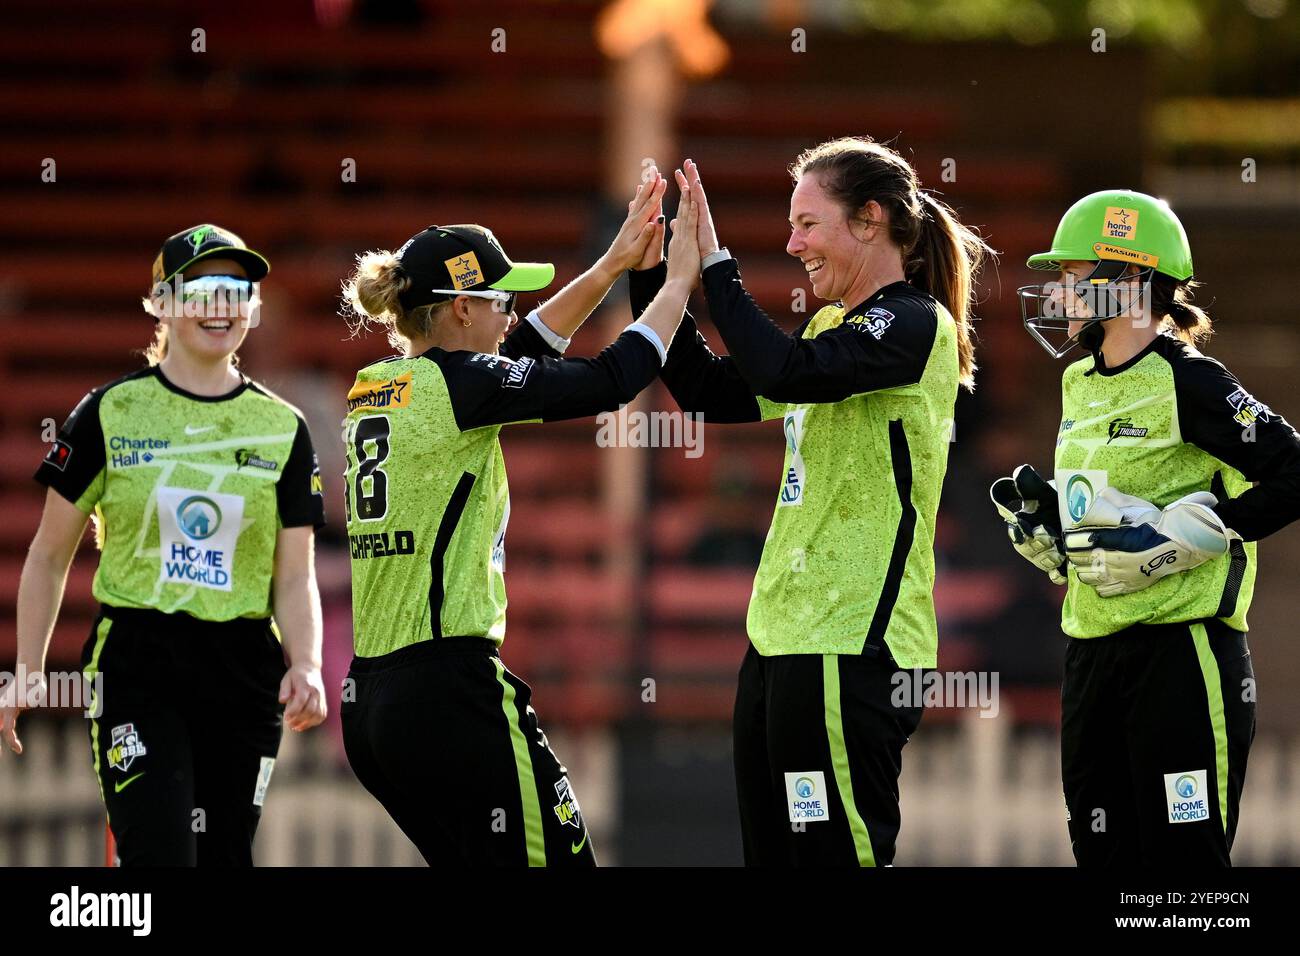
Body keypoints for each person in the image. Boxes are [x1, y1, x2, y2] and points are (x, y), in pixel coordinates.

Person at [631, 140, 992, 866]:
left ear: (869, 220)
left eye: (807, 224)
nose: (792, 244)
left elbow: (785, 370)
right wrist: (652, 281)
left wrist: (716, 265)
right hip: (782, 640)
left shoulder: (916, 322)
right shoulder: (833, 328)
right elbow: (709, 390)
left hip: (853, 641)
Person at [339, 173, 697, 866]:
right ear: (462, 309)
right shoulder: (463, 386)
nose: (512, 312)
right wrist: (675, 286)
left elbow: (521, 353)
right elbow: (608, 380)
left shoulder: (382, 385)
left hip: (375, 701)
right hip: (449, 688)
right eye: (501, 300)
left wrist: (612, 266)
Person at [2, 224, 328, 866]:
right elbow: (47, 554)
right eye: (204, 288)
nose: (222, 306)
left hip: (242, 670)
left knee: (223, 857)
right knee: (158, 855)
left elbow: (293, 575)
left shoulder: (283, 430)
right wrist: (28, 671)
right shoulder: (108, 413)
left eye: (237, 291)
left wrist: (308, 663)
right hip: (138, 665)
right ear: (162, 303)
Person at [995, 189, 1300, 865]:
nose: (1059, 291)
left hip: (1182, 655)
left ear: (1129, 279)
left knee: (1183, 873)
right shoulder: (1080, 380)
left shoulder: (1190, 380)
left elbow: (1293, 471)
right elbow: (1114, 509)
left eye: (1074, 274)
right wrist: (1058, 538)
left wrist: (1197, 534)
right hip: (1093, 655)